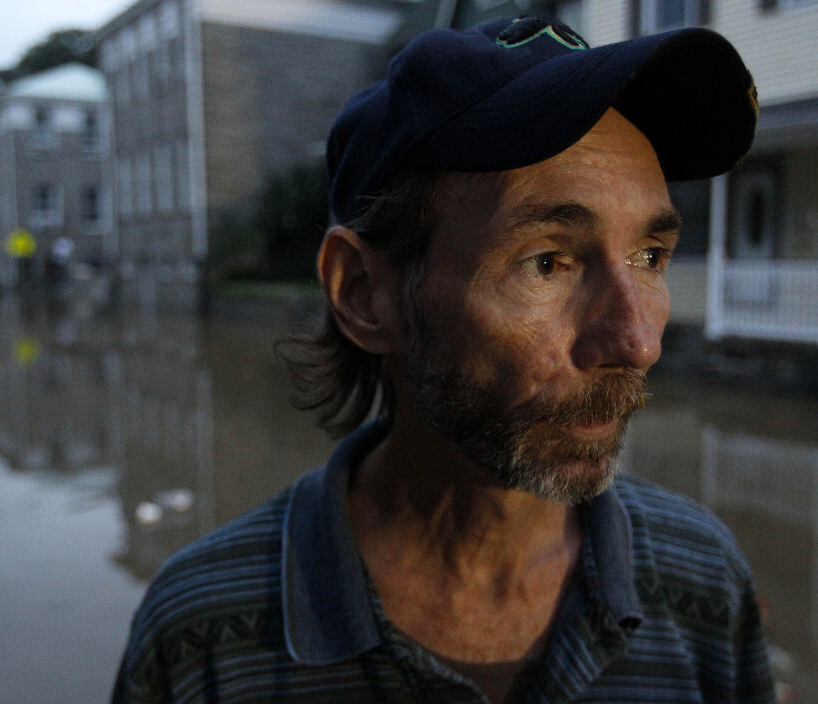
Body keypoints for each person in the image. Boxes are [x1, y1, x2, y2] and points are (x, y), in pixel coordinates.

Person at [112, 16, 775, 704]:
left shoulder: (703, 578)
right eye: (546, 262)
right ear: (365, 293)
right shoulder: (202, 636)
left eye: (648, 257)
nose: (637, 341)